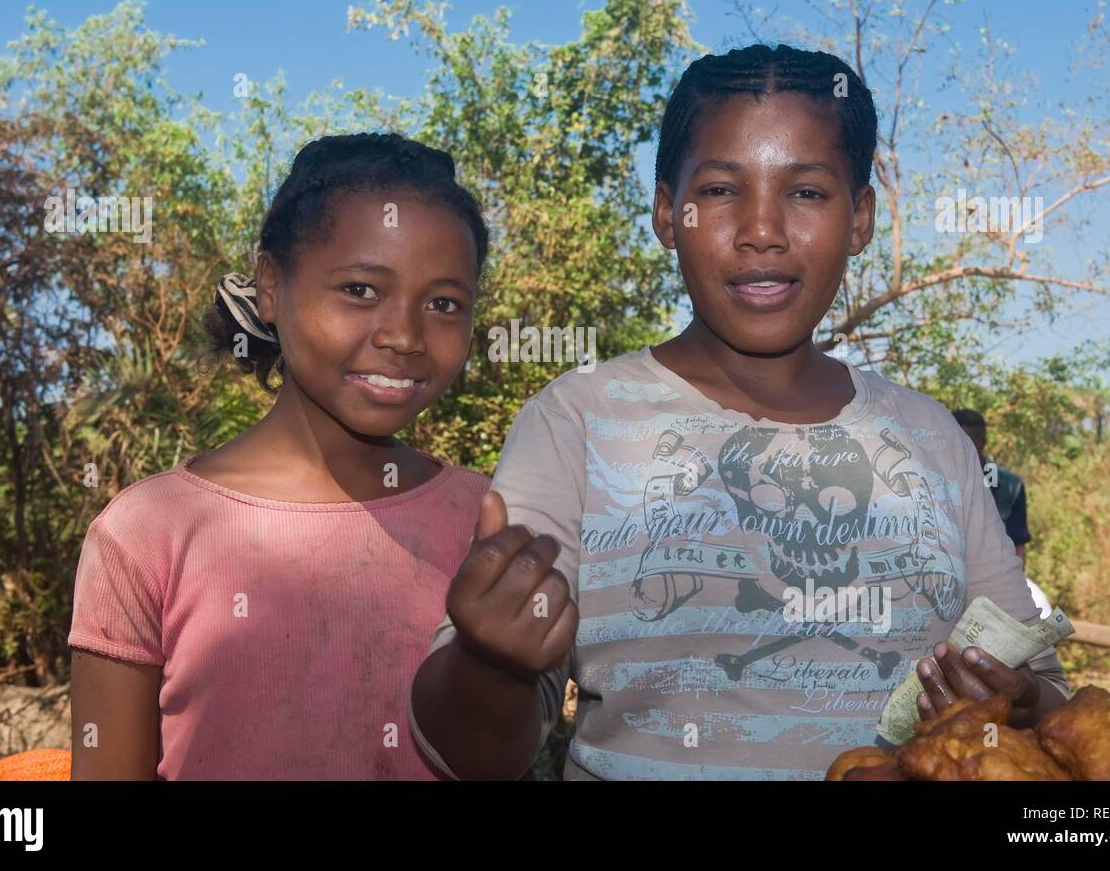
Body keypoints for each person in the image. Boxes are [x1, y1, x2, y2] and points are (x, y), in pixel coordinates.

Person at [409, 44, 1070, 780]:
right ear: (667, 212)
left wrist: (1018, 700)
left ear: (860, 219)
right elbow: (469, 753)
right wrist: (491, 664)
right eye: (721, 189)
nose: (763, 229)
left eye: (808, 193)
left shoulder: (932, 439)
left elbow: (1044, 688)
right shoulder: (576, 421)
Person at [68, 134, 491, 779]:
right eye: (358, 289)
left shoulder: (487, 520)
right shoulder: (146, 533)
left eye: (443, 304)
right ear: (270, 286)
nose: (404, 336)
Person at [952, 409, 1031, 561]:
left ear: (982, 443)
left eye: (969, 445)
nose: (961, 452)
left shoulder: (1010, 487)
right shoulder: (931, 481)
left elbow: (1018, 546)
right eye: (955, 445)